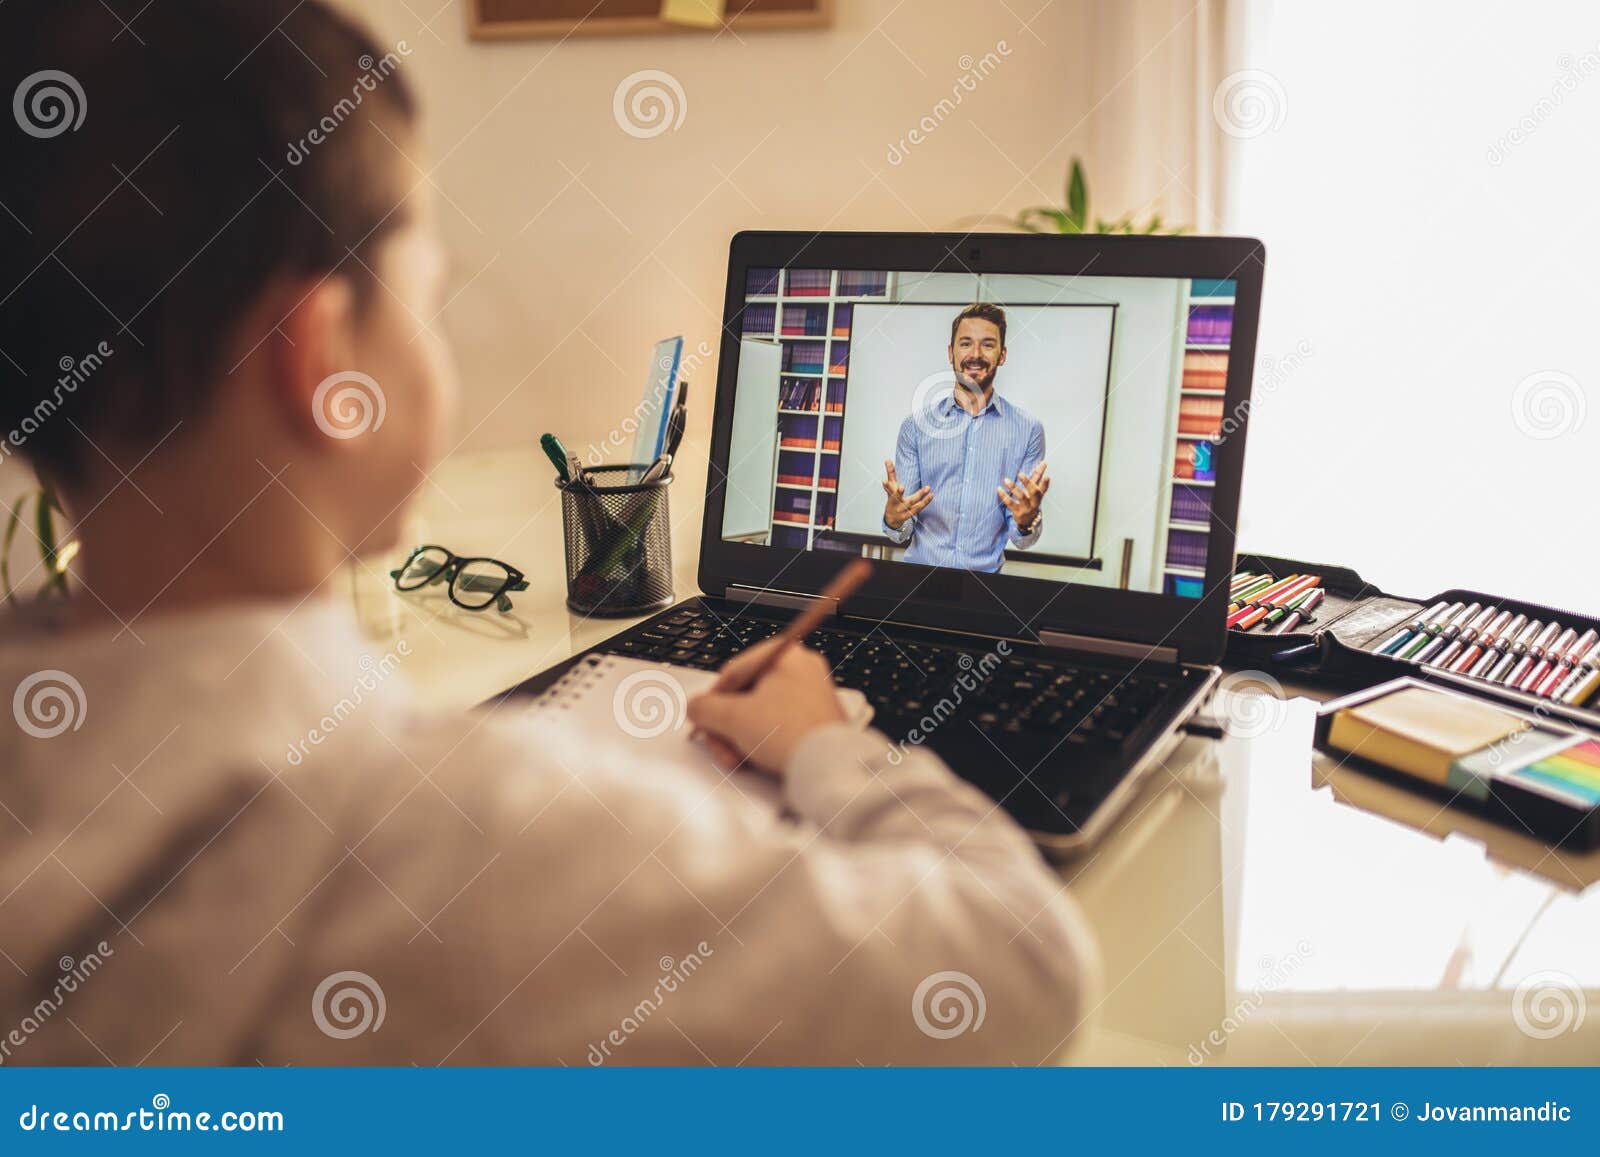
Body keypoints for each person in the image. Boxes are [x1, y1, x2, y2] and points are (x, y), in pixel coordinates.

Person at [0, 0, 1097, 1065]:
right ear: (324, 363)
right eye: (428, 300)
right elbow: (1019, 967)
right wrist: (825, 744)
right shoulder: (462, 843)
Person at [881, 303, 1051, 572]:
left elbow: (1022, 538)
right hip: (917, 581)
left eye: (987, 345)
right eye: (965, 344)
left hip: (984, 587)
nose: (975, 354)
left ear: (1002, 354)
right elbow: (900, 531)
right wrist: (892, 519)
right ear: (951, 353)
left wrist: (1026, 521)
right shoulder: (915, 427)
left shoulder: (1028, 430)